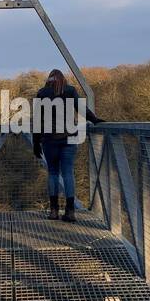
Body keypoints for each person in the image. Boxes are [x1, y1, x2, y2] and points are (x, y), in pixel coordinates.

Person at [30, 68, 101, 222]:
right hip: (69, 138)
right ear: (63, 79)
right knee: (68, 173)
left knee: (53, 173)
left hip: (49, 139)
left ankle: (54, 211)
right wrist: (94, 119)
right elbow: (81, 109)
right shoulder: (70, 90)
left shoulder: (42, 93)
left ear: (49, 79)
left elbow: (37, 121)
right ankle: (70, 212)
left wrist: (36, 143)